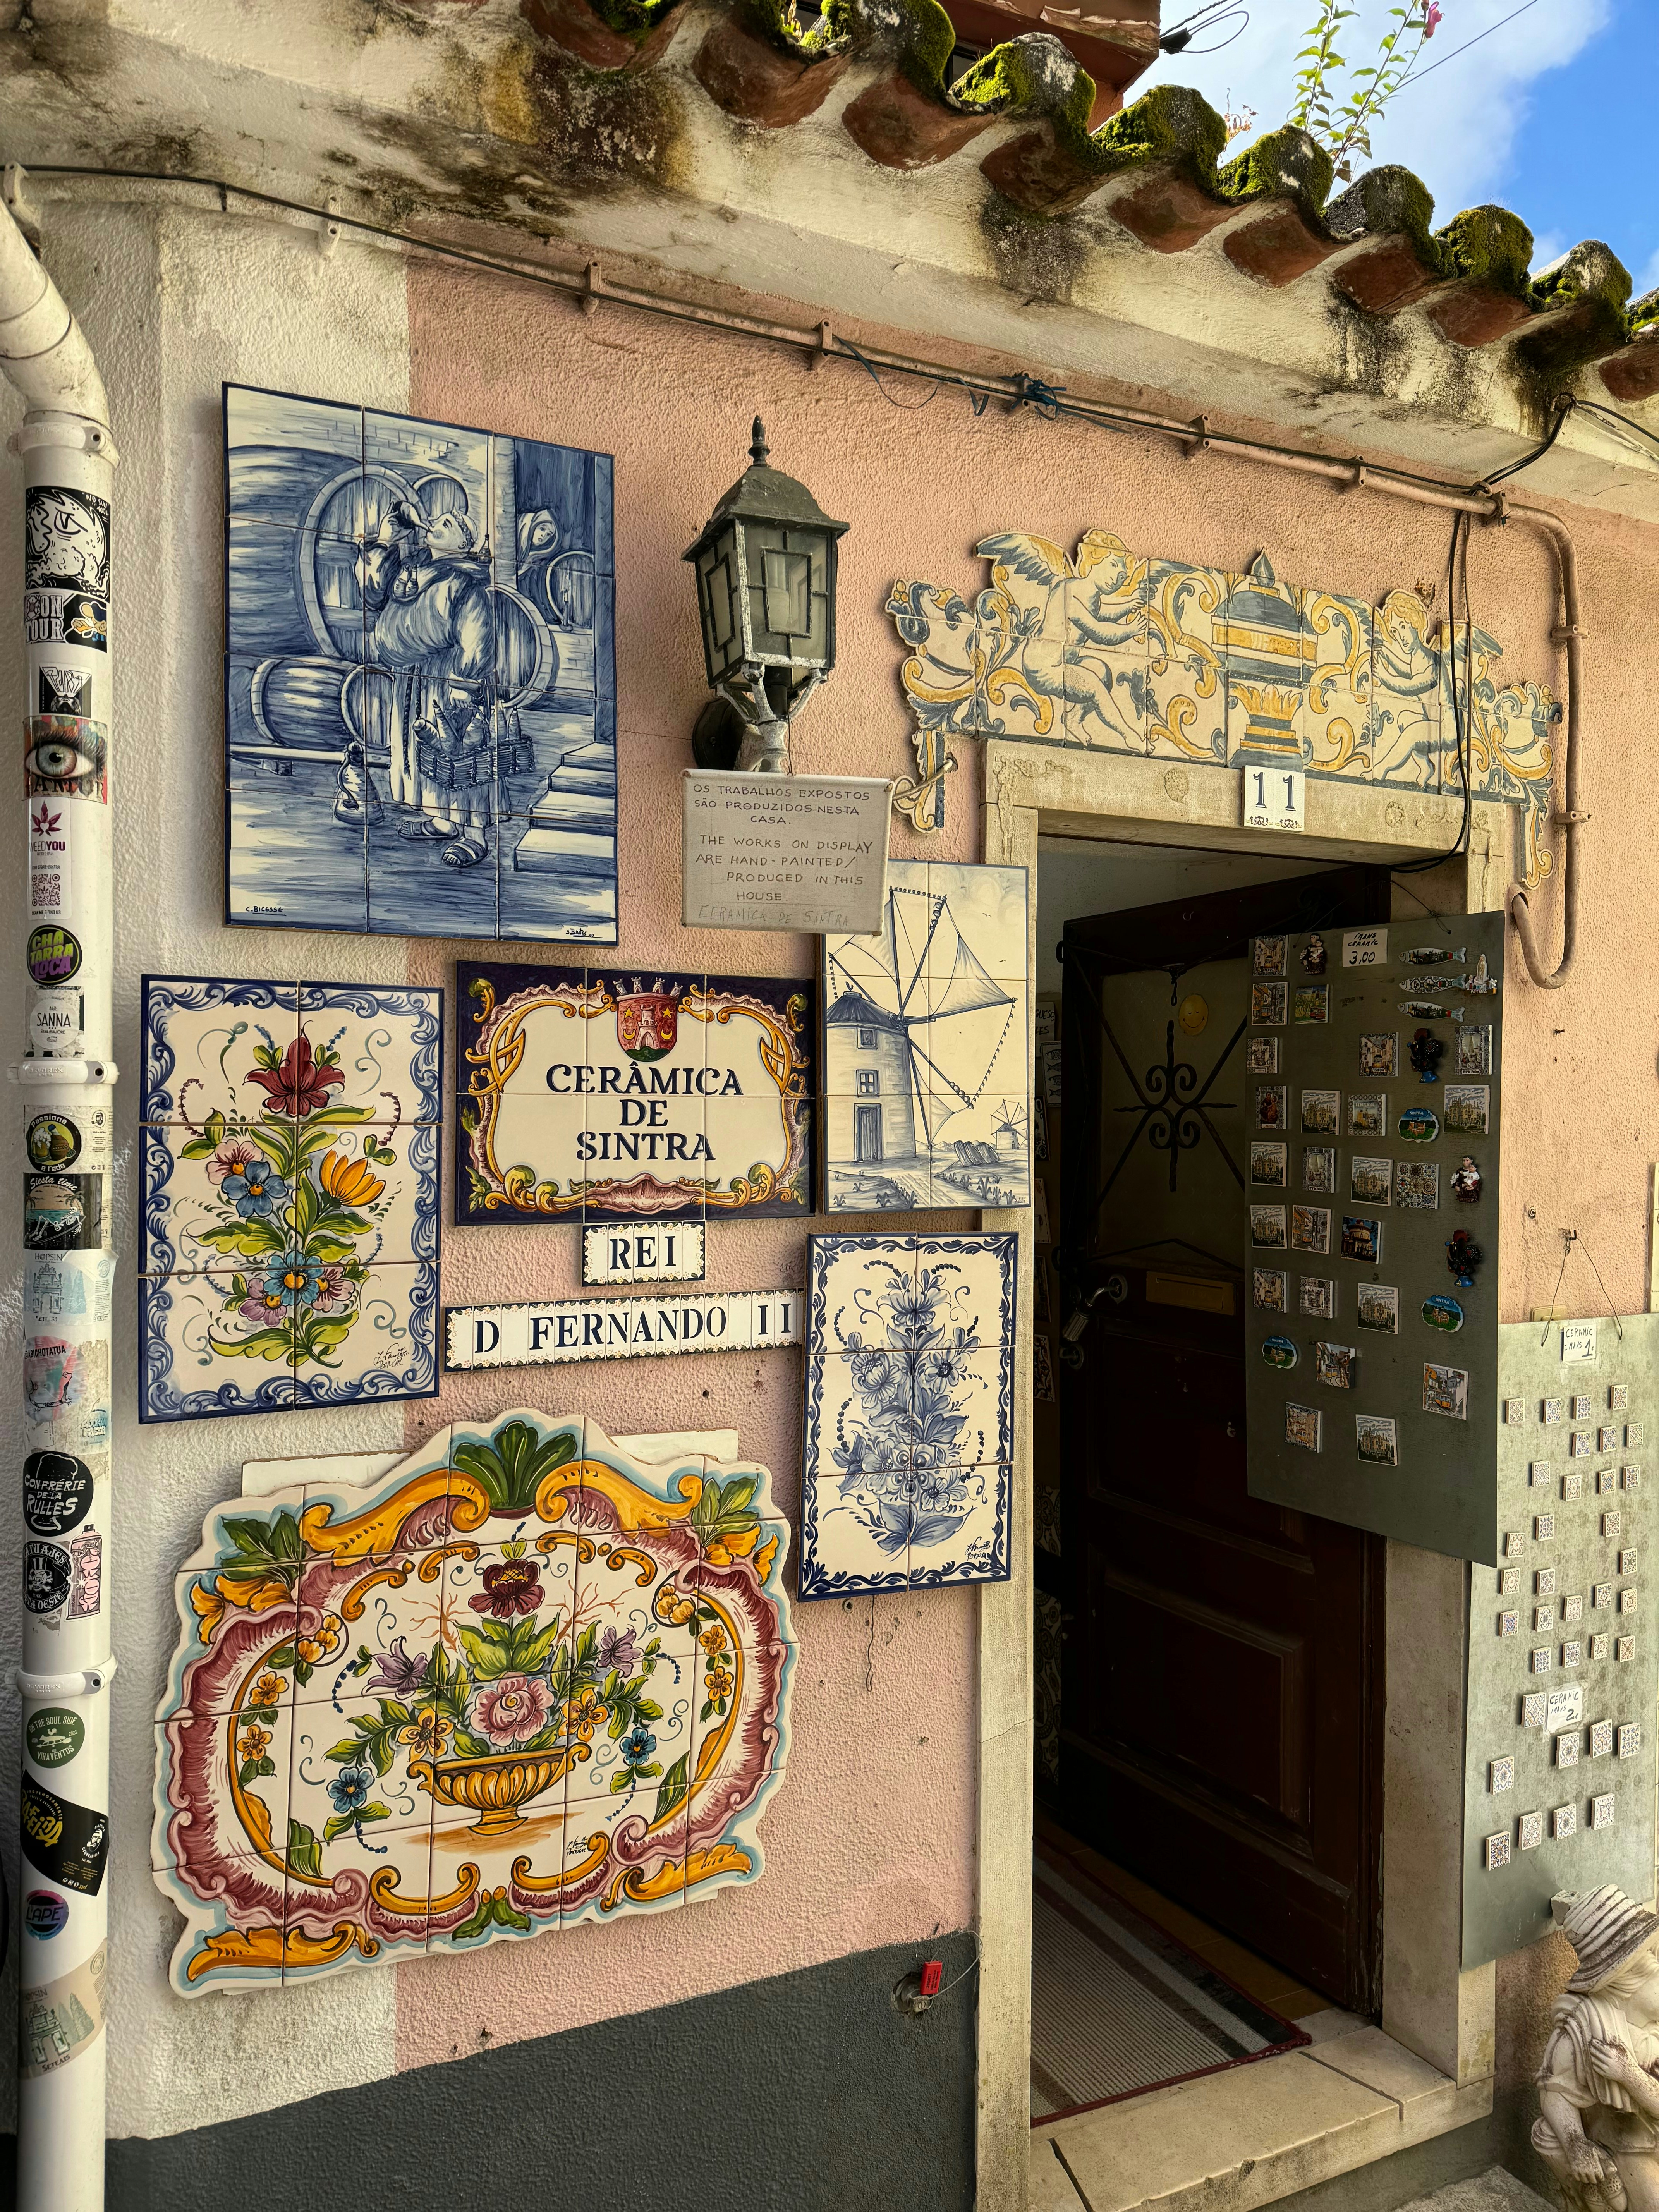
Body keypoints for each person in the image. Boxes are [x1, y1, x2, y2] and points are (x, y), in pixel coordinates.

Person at [1535, 1886, 1659, 2209]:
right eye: (1654, 1970)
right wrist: (1576, 2144)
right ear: (1625, 1983)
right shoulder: (1583, 2029)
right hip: (1629, 2141)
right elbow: (1554, 2092)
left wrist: (1628, 2074)